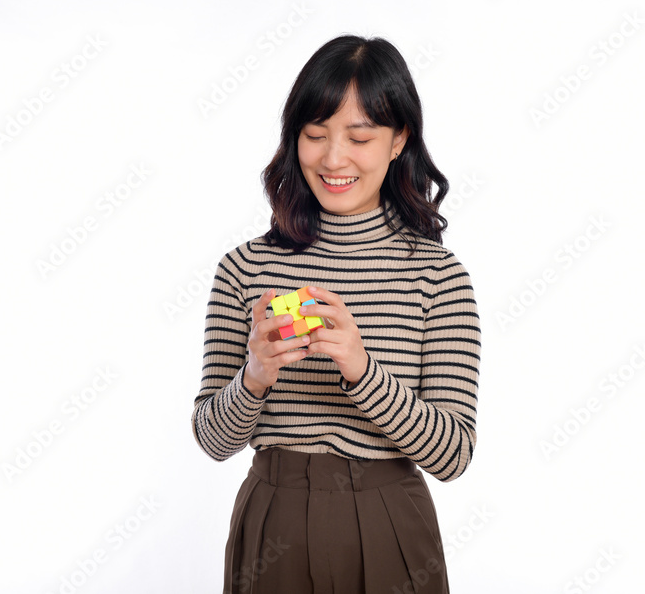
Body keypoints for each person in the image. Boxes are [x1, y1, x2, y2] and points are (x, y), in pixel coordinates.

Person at [191, 33, 481, 594]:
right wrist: (254, 377)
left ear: (399, 140)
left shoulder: (438, 276)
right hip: (273, 520)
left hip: (390, 523)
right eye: (315, 134)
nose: (333, 159)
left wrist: (362, 370)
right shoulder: (245, 268)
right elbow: (211, 439)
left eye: (360, 137)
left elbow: (452, 455)